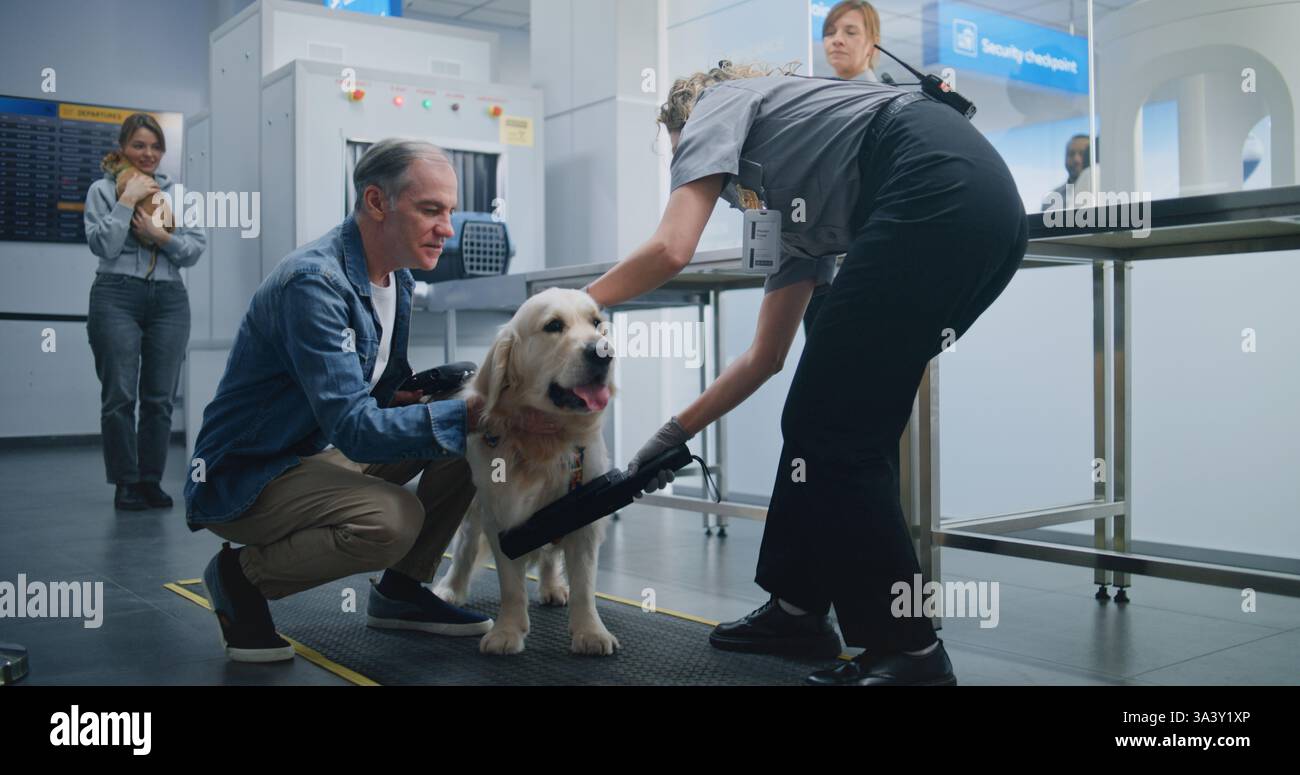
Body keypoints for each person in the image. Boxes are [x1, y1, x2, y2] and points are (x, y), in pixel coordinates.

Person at [584, 63, 1028, 685]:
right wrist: (673, 432)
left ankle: (911, 652)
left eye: (686, 156)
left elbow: (671, 248)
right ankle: (797, 609)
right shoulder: (791, 209)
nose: (695, 174)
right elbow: (766, 357)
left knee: (834, 425)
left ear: (690, 122)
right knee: (831, 415)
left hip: (934, 187)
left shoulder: (719, 101)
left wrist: (572, 306)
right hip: (983, 212)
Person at [183, 139, 559, 662]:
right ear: (378, 203)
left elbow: (366, 392)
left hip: (317, 450)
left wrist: (423, 397)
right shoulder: (313, 283)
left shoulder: (395, 278)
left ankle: (402, 592)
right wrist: (479, 410)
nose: (447, 229)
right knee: (394, 518)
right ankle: (240, 577)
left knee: (468, 416)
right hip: (250, 475)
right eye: (430, 210)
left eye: (449, 211)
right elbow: (356, 429)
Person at [84, 113, 206, 511]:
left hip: (170, 299)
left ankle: (151, 480)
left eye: (155, 146)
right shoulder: (102, 191)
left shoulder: (178, 195)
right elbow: (103, 245)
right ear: (123, 148)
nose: (148, 153)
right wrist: (126, 200)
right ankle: (126, 482)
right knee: (119, 394)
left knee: (159, 398)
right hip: (116, 295)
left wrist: (161, 236)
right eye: (139, 145)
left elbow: (193, 250)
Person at [807, 0, 884, 333]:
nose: (836, 40)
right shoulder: (812, 101)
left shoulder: (888, 105)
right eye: (829, 32)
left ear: (872, 44)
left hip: (870, 259)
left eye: (850, 32)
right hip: (818, 264)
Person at [1042, 133, 1091, 211]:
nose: (1076, 159)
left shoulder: (1102, 192)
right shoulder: (1052, 199)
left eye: (1082, 154)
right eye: (1071, 154)